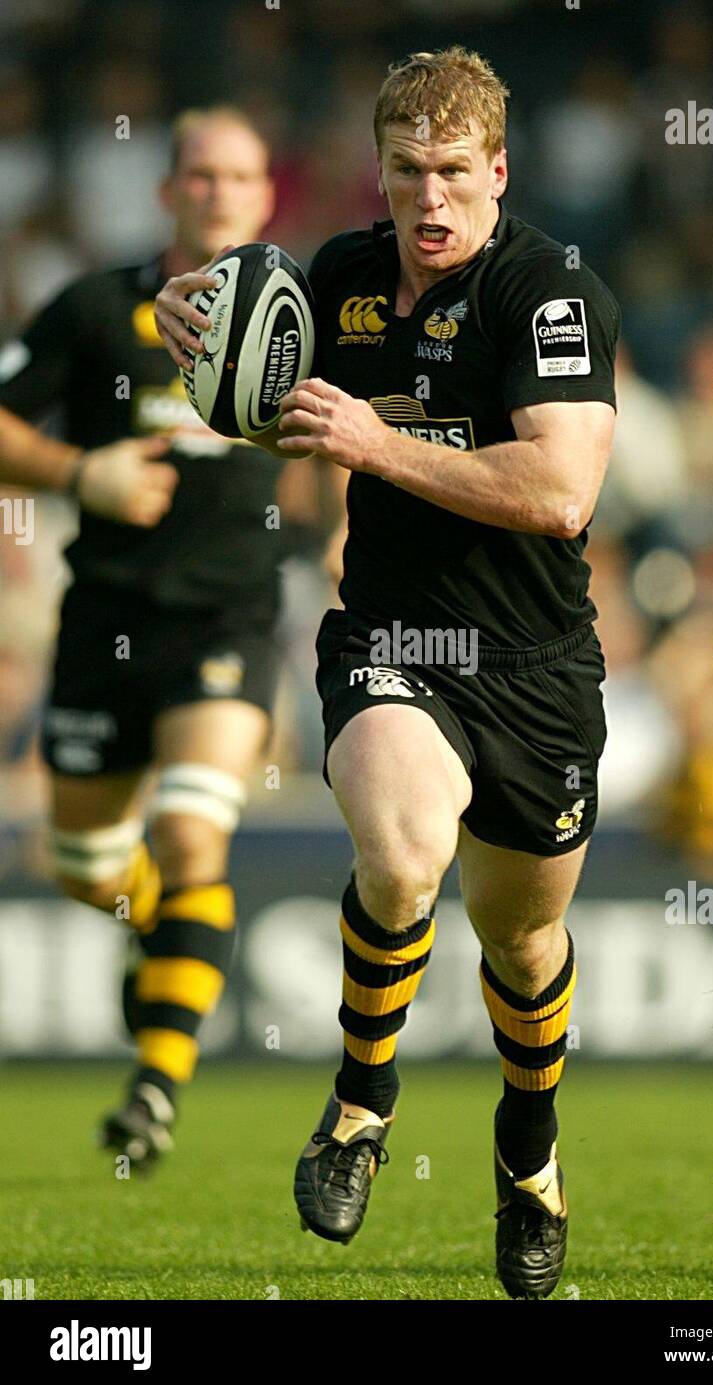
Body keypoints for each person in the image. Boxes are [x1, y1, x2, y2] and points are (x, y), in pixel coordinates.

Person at [156, 49, 619, 1300]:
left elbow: (561, 491)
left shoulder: (552, 293)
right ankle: (362, 1102)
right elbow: (256, 390)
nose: (431, 199)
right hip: (394, 639)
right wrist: (189, 335)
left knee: (524, 944)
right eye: (409, 171)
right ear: (381, 169)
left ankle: (529, 1155)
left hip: (535, 664)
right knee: (405, 851)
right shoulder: (344, 280)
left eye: (456, 174)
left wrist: (378, 442)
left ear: (499, 172)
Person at [0, 105, 292, 1172]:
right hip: (105, 620)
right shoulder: (93, 309)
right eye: (201, 175)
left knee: (192, 830)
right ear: (169, 191)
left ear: (268, 196)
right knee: (84, 867)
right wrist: (84, 473)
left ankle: (154, 1089)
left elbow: (360, 430)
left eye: (241, 176)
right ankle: (161, 927)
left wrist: (348, 521)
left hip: (229, 616)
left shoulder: (303, 318)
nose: (219, 192)